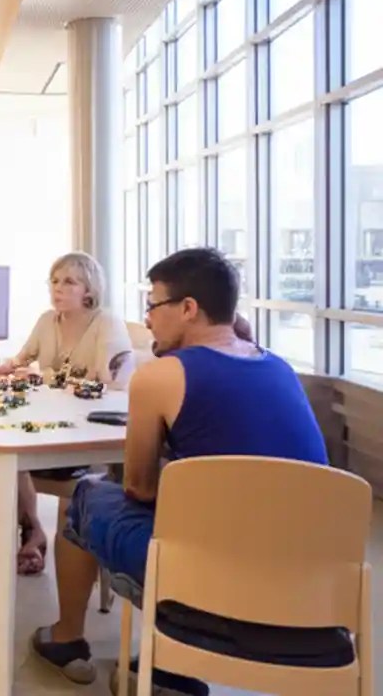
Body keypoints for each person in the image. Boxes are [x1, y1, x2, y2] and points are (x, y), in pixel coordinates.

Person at [32, 248, 329, 695]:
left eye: (153, 305)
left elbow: (138, 486)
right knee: (207, 515)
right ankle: (168, 663)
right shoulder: (279, 367)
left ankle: (67, 638)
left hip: (208, 572)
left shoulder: (162, 375)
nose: (147, 320)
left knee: (88, 494)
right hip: (309, 576)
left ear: (188, 309)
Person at [0, 252, 134, 575]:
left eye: (69, 282)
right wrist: (3, 368)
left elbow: (109, 384)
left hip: (87, 432)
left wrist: (43, 377)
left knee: (14, 454)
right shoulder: (46, 321)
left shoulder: (106, 323)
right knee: (0, 451)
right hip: (48, 422)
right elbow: (22, 360)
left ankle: (57, 545)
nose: (58, 288)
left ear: (89, 290)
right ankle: (33, 529)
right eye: (54, 281)